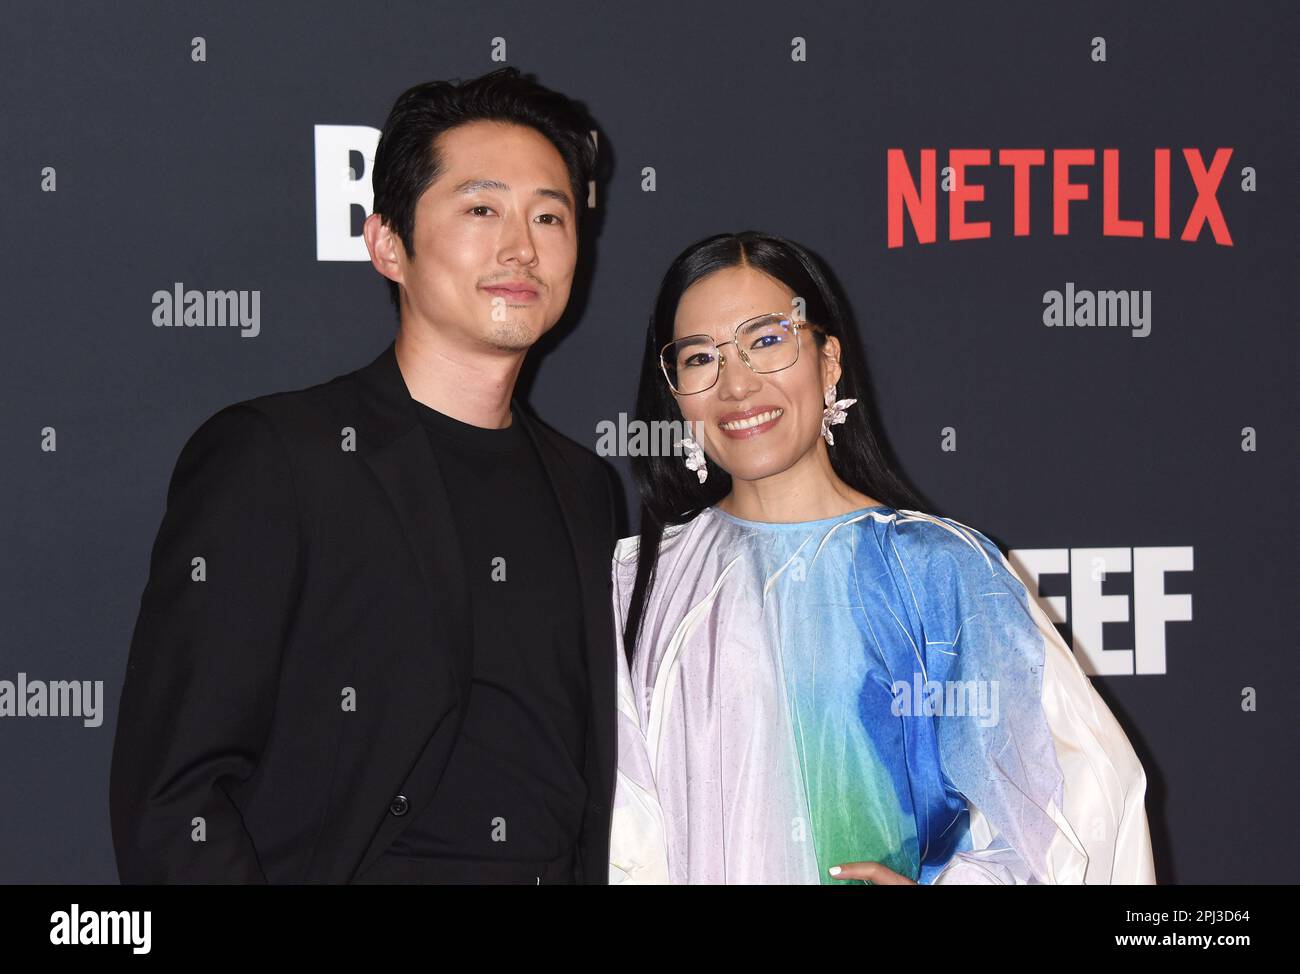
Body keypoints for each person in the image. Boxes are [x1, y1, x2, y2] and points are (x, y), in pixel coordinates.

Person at [110, 68, 619, 884]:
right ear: (387, 243)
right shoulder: (278, 457)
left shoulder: (588, 491)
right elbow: (175, 796)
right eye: (481, 208)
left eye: (550, 215)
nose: (521, 246)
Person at [608, 231, 1156, 884]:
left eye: (766, 340)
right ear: (675, 390)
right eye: (701, 358)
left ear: (828, 359)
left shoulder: (935, 572)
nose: (737, 385)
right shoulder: (633, 583)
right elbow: (616, 832)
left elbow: (1078, 802)